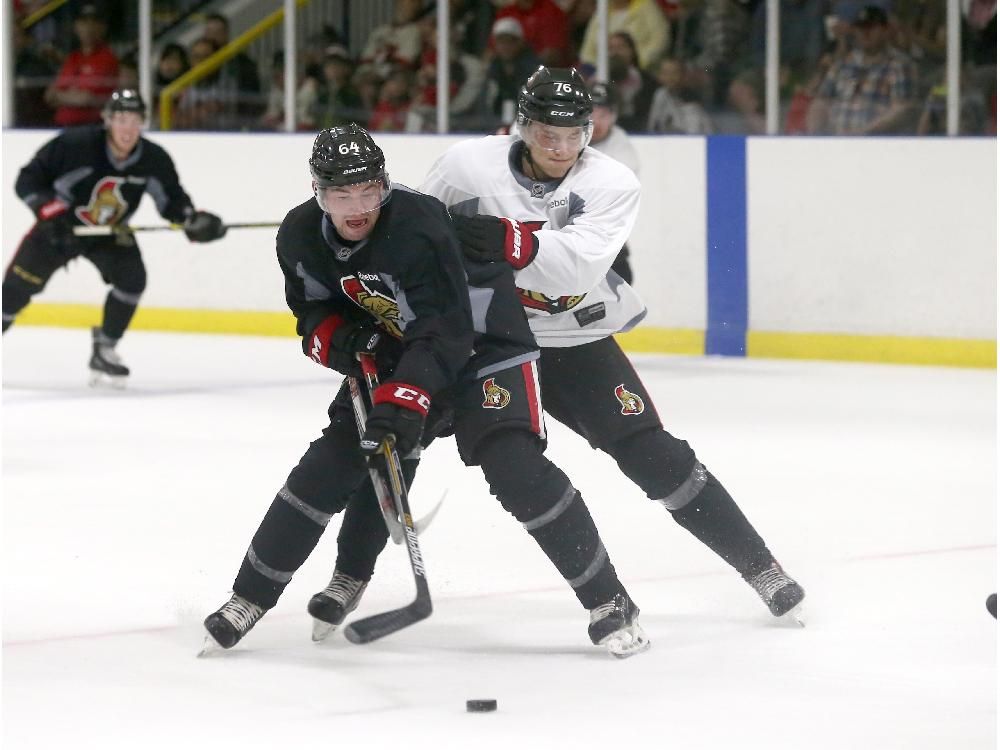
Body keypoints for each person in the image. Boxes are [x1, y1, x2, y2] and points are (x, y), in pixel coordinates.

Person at [332, 67, 805, 626]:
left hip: (572, 334)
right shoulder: (466, 167)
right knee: (398, 437)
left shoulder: (612, 183)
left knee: (654, 453)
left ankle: (760, 566)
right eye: (546, 134)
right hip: (480, 339)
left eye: (574, 134)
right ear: (520, 126)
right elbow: (410, 230)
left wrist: (512, 240)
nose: (560, 149)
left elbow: (576, 270)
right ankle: (348, 577)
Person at [202, 123, 649, 659]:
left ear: (386, 186)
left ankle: (610, 600)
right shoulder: (298, 235)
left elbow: (444, 330)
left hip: (486, 348)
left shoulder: (416, 228)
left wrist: (405, 400)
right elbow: (312, 311)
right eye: (342, 195)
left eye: (369, 191)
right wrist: (340, 341)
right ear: (319, 194)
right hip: (401, 349)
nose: (358, 206)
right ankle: (254, 597)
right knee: (334, 461)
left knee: (513, 467)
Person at [2, 89, 226, 385]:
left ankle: (105, 349)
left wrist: (191, 220)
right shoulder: (75, 145)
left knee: (132, 280)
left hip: (109, 232)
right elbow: (28, 179)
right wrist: (50, 212)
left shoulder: (153, 159)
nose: (128, 128)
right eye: (121, 119)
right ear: (107, 120)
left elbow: (171, 201)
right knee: (15, 291)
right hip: (59, 229)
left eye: (135, 120)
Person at [806, 5, 917, 135]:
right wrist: (815, 135)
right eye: (860, 27)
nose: (865, 32)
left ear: (885, 30)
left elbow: (903, 110)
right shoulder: (842, 64)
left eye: (871, 27)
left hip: (879, 145)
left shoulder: (900, 65)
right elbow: (821, 101)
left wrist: (863, 133)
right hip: (837, 144)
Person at [587, 82, 638, 284]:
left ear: (614, 116)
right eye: (591, 113)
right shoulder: (566, 136)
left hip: (601, 234)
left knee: (622, 281)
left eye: (603, 114)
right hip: (559, 232)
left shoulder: (622, 149)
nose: (596, 122)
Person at [44, 3, 119, 127]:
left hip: (90, 127)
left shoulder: (107, 58)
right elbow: (50, 95)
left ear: (103, 28)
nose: (88, 28)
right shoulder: (73, 58)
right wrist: (71, 95)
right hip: (63, 127)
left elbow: (86, 98)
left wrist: (62, 95)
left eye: (94, 22)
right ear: (76, 27)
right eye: (83, 22)